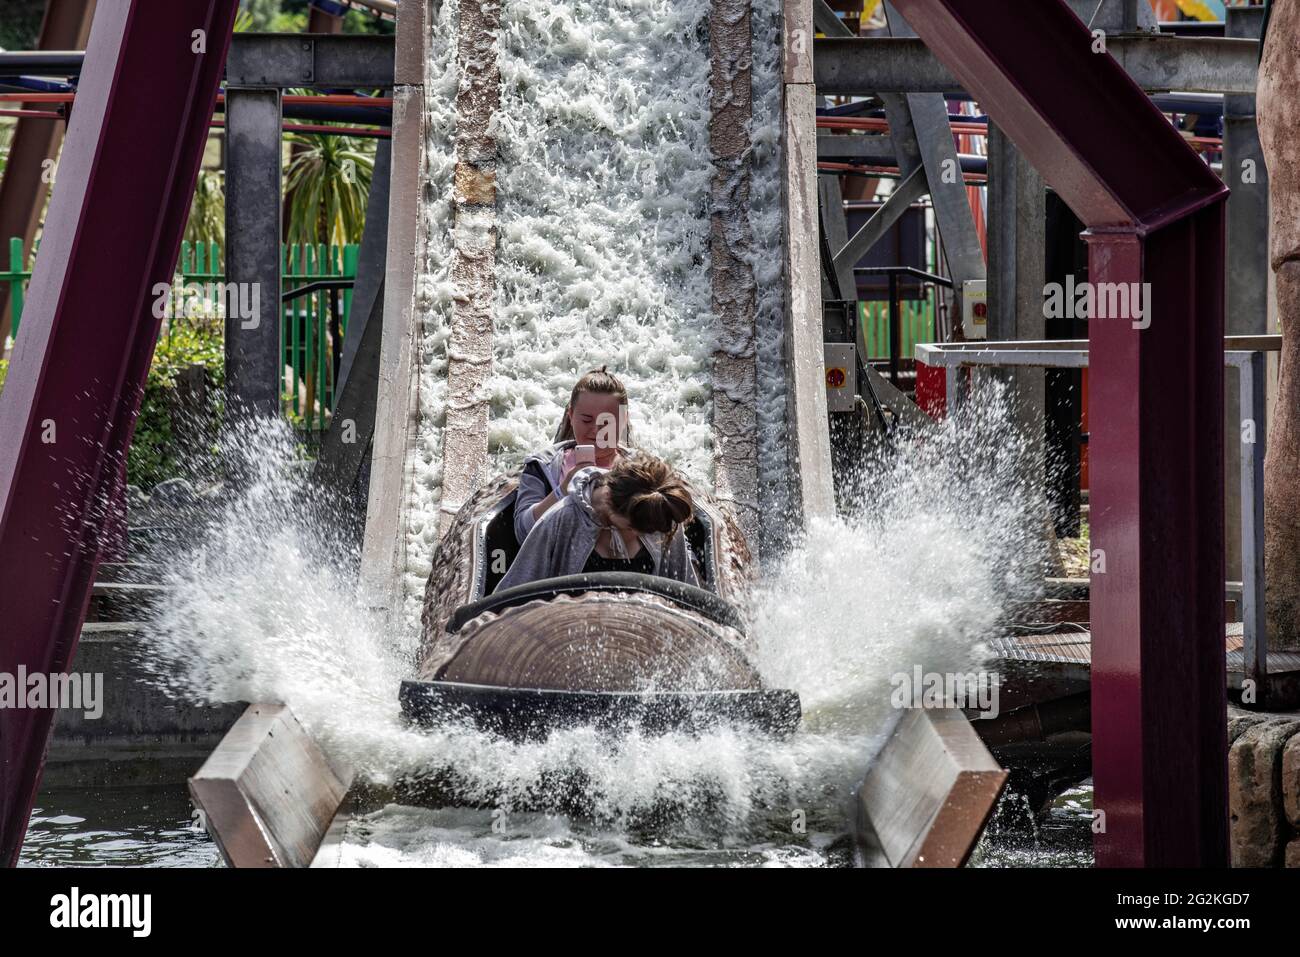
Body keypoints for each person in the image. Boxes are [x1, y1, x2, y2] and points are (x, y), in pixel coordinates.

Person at [496, 453, 699, 591]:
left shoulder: (659, 515)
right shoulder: (561, 519)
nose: (639, 535)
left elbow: (685, 590)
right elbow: (516, 589)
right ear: (609, 500)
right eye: (629, 527)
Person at [513, 366, 632, 545]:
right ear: (571, 415)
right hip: (561, 569)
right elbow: (523, 533)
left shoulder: (643, 469)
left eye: (607, 421)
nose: (596, 429)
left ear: (624, 419)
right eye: (586, 420)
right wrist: (563, 490)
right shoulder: (543, 467)